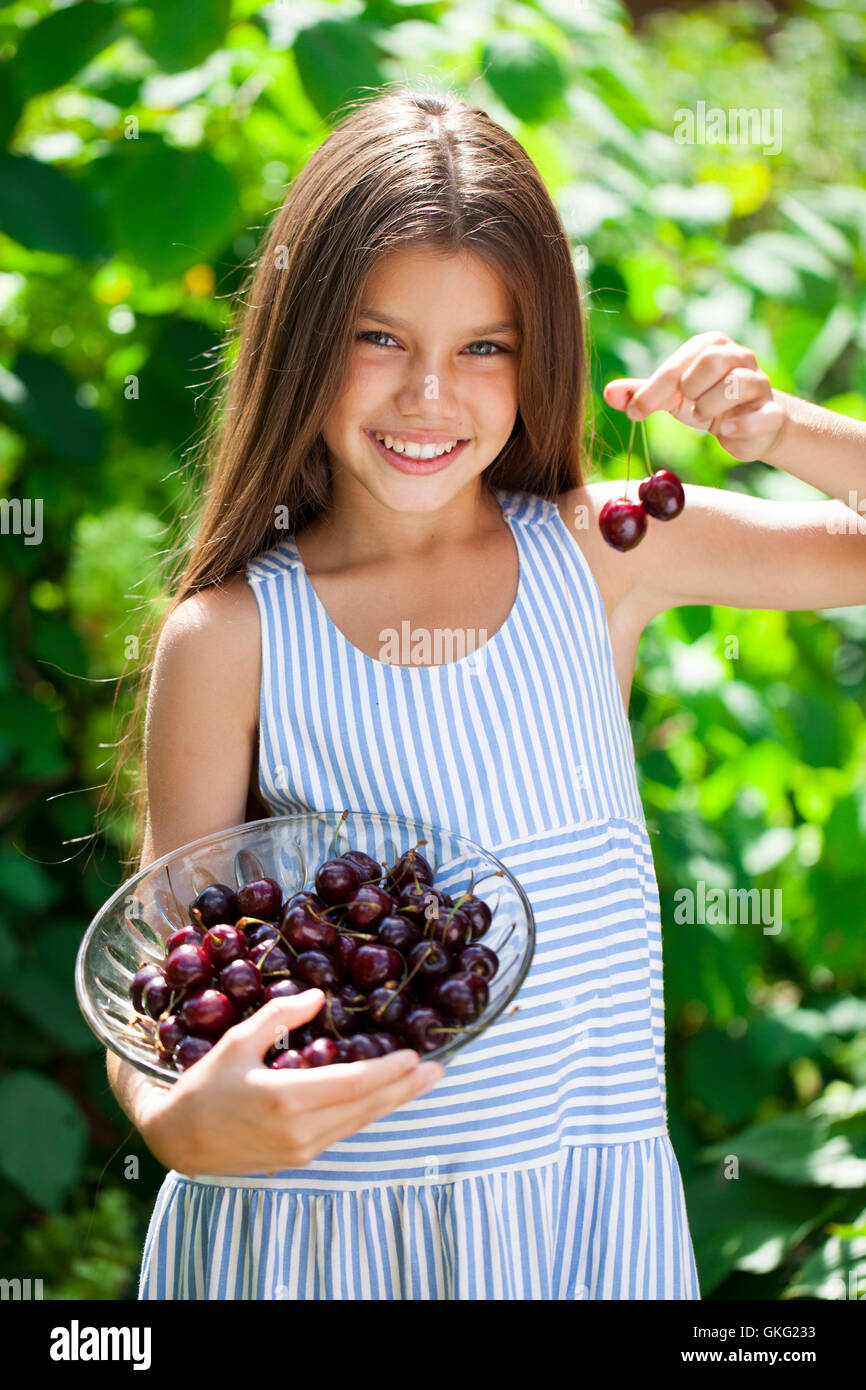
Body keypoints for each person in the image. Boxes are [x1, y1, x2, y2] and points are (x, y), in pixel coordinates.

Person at [106, 87, 866, 1300]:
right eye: (378, 338)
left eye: (482, 348)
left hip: (577, 1233)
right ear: (302, 339)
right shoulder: (235, 635)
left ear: (537, 355)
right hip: (317, 1247)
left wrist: (778, 428)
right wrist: (174, 1120)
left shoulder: (601, 551)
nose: (427, 396)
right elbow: (162, 974)